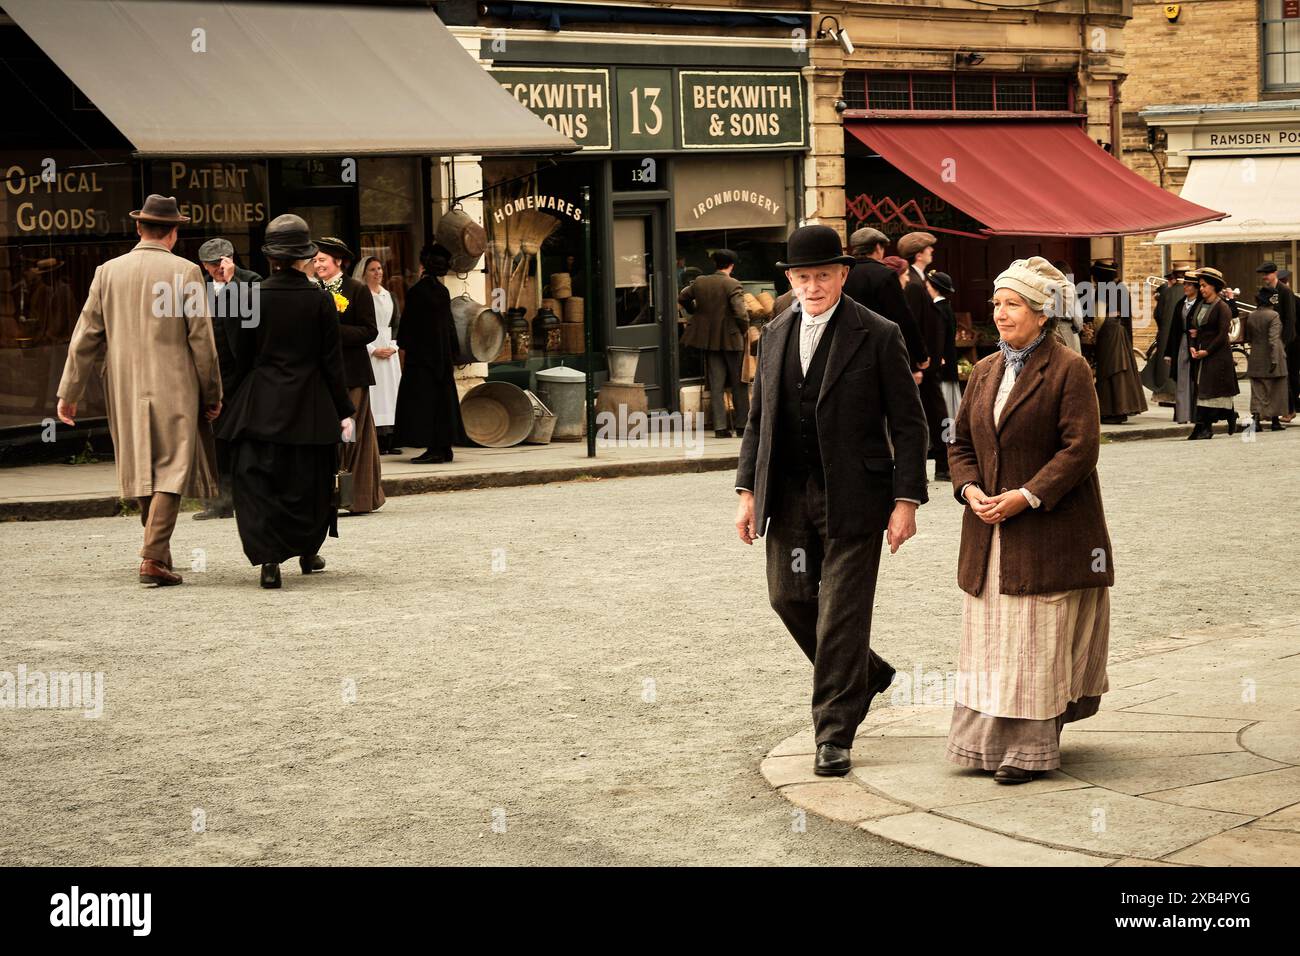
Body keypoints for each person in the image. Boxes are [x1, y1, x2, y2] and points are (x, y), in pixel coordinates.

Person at [734, 224, 929, 778]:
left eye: (824, 275)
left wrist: (906, 499)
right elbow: (758, 421)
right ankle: (863, 673)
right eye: (803, 276)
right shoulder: (774, 333)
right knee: (788, 597)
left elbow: (909, 425)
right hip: (788, 494)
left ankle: (833, 733)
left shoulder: (878, 332)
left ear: (843, 275)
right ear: (789, 280)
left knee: (842, 611)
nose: (813, 285)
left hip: (855, 495)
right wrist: (747, 492)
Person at [946, 257, 1113, 784]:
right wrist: (969, 489)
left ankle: (1028, 749)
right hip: (988, 530)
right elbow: (959, 443)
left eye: (1012, 304)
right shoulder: (986, 370)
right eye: (996, 303)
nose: (999, 314)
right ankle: (980, 745)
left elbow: (1080, 448)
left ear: (1042, 314)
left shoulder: (1069, 368)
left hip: (1047, 531)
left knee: (1032, 637)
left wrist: (1026, 496)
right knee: (991, 638)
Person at [55, 195, 222, 586]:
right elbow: (202, 340)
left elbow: (85, 337)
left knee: (146, 465)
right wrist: (212, 392)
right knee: (173, 468)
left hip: (124, 383)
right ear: (174, 232)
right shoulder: (187, 272)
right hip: (176, 383)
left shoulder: (106, 272)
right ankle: (151, 557)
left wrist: (69, 391)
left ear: (138, 228)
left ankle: (158, 555)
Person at [218, 215, 355, 589]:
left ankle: (269, 561)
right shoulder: (321, 300)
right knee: (307, 482)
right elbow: (332, 363)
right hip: (309, 407)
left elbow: (238, 357)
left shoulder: (250, 297)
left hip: (260, 403)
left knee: (260, 481)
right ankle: (308, 551)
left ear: (271, 258)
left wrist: (234, 400)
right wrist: (344, 409)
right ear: (304, 258)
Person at [314, 237, 383, 514]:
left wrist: (335, 333)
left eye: (322, 259)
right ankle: (328, 493)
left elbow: (369, 330)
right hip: (321, 374)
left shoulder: (356, 290)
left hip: (351, 374)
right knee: (326, 433)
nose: (317, 264)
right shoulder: (313, 290)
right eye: (315, 260)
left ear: (338, 262)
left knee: (350, 433)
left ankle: (355, 496)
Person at [193, 237, 262, 521]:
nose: (216, 272)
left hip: (246, 372)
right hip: (216, 373)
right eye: (210, 267)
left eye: (220, 266)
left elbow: (254, 318)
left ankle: (249, 497)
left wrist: (233, 283)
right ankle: (221, 501)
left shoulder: (251, 280)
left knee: (246, 438)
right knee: (219, 439)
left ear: (230, 260)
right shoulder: (201, 288)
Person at [394, 244, 464, 464]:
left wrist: (404, 344)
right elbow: (449, 326)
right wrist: (453, 353)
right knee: (442, 402)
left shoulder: (417, 292)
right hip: (441, 358)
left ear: (423, 265)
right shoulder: (443, 292)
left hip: (422, 359)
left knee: (424, 403)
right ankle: (443, 446)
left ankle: (434, 449)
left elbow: (407, 328)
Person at [678, 249, 749, 438]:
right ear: (731, 266)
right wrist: (744, 329)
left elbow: (683, 296)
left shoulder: (700, 282)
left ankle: (720, 427)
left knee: (716, 384)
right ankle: (742, 426)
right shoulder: (732, 283)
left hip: (709, 339)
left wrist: (695, 312)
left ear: (715, 264)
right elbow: (741, 313)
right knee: (738, 383)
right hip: (732, 338)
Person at [899, 231, 950, 481]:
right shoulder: (913, 284)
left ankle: (942, 463)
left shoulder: (917, 281)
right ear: (919, 254)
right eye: (929, 249)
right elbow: (912, 326)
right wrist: (916, 362)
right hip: (922, 365)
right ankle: (940, 463)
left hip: (927, 362)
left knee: (931, 412)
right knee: (928, 414)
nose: (932, 252)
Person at [842, 227, 927, 368]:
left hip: (847, 351)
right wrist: (920, 354)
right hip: (879, 351)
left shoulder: (844, 274)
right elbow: (903, 317)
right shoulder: (885, 275)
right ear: (877, 247)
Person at [1084, 259, 1147, 424]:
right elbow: (1126, 318)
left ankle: (1112, 410)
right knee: (1118, 370)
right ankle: (1119, 409)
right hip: (1120, 331)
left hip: (1108, 332)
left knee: (1109, 371)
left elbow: (1098, 316)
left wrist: (1092, 335)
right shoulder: (1121, 289)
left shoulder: (1103, 291)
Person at [353, 256, 403, 455]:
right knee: (376, 394)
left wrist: (393, 345)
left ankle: (392, 436)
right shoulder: (361, 295)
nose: (378, 273)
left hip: (388, 347)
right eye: (373, 269)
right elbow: (359, 325)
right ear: (364, 273)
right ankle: (376, 438)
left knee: (391, 393)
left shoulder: (389, 296)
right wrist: (372, 349)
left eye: (380, 268)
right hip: (371, 348)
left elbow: (396, 323)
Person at [1185, 267, 1240, 439]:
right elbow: (1194, 328)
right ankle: (1206, 425)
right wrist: (1193, 345)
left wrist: (1207, 351)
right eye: (1200, 286)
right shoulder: (1201, 305)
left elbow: (1222, 334)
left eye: (1204, 286)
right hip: (1201, 355)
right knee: (1203, 391)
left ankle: (1206, 427)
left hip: (1217, 356)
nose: (1201, 289)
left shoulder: (1222, 307)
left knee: (1211, 392)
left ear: (1214, 287)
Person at [1257, 261, 1298, 422]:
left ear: (1274, 273)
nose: (1264, 278)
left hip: (1284, 341)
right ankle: (1271, 410)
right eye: (1263, 275)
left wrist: (1284, 343)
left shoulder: (1285, 291)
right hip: (1270, 340)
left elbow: (1290, 319)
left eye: (1266, 274)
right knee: (1271, 376)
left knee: (1283, 376)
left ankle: (1289, 410)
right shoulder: (1266, 291)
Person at [1245, 288, 1289, 432]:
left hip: (1256, 357)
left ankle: (1256, 420)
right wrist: (1275, 359)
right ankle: (1275, 421)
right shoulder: (1274, 315)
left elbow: (1249, 338)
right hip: (1272, 358)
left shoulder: (1251, 315)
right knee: (1276, 390)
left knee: (1257, 391)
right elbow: (1273, 340)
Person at [1162, 270, 1202, 424]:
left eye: (1189, 284)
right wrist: (1168, 353)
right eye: (1185, 283)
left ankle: (1195, 414)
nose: (1185, 287)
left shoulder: (1200, 303)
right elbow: (1173, 330)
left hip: (1195, 344)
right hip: (1181, 344)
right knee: (1182, 380)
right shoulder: (1181, 303)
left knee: (1193, 381)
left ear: (1195, 287)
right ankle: (1182, 415)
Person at [1141, 268, 1184, 403]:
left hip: (1166, 334)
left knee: (1165, 366)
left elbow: (1158, 315)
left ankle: (1167, 395)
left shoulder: (1167, 291)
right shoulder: (1190, 292)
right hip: (1181, 335)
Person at [926, 270, 962, 425]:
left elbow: (938, 337)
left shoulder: (938, 309)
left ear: (933, 287)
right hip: (947, 361)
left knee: (944, 403)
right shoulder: (945, 307)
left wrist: (937, 357)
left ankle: (948, 436)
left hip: (942, 364)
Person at [1049, 260, 1084, 354]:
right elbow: (1078, 320)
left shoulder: (1047, 288)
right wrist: (1079, 328)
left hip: (1050, 331)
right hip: (1067, 330)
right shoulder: (1070, 288)